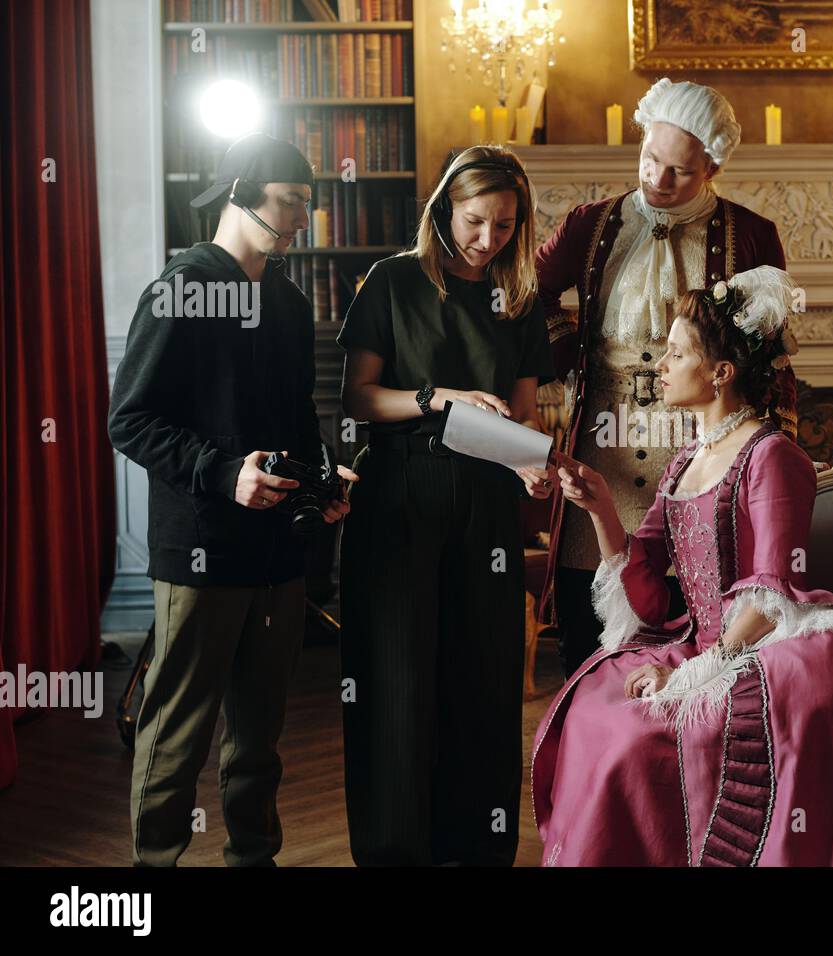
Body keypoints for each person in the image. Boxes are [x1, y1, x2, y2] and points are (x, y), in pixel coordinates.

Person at [532, 267, 833, 866]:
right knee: (593, 711)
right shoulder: (687, 459)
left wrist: (690, 677)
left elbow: (768, 595)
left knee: (635, 737)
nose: (661, 364)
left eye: (676, 352)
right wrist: (604, 507)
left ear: (720, 373)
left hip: (761, 643)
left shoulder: (773, 455)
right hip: (702, 639)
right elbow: (649, 584)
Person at [108, 132, 352, 866]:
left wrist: (322, 480)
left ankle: (255, 859)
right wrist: (224, 474)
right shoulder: (182, 286)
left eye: (309, 205)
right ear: (244, 191)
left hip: (279, 552)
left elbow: (296, 418)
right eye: (292, 203)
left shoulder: (284, 298)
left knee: (259, 737)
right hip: (201, 551)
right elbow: (130, 419)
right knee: (176, 734)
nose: (305, 220)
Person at [336, 145, 556, 866]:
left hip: (488, 498)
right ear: (443, 210)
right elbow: (358, 398)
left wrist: (534, 466)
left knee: (486, 678)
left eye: (503, 227)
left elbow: (525, 419)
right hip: (401, 494)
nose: (487, 240)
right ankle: (395, 851)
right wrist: (439, 396)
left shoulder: (518, 299)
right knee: (396, 680)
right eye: (474, 222)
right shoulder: (393, 282)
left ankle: (478, 846)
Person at [536, 77, 791, 675]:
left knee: (691, 596)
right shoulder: (591, 224)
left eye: (680, 170)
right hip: (606, 437)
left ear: (711, 167)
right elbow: (530, 295)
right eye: (650, 158)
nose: (658, 179)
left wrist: (769, 446)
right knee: (591, 610)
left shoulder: (750, 234)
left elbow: (771, 355)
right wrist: (572, 349)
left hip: (700, 440)